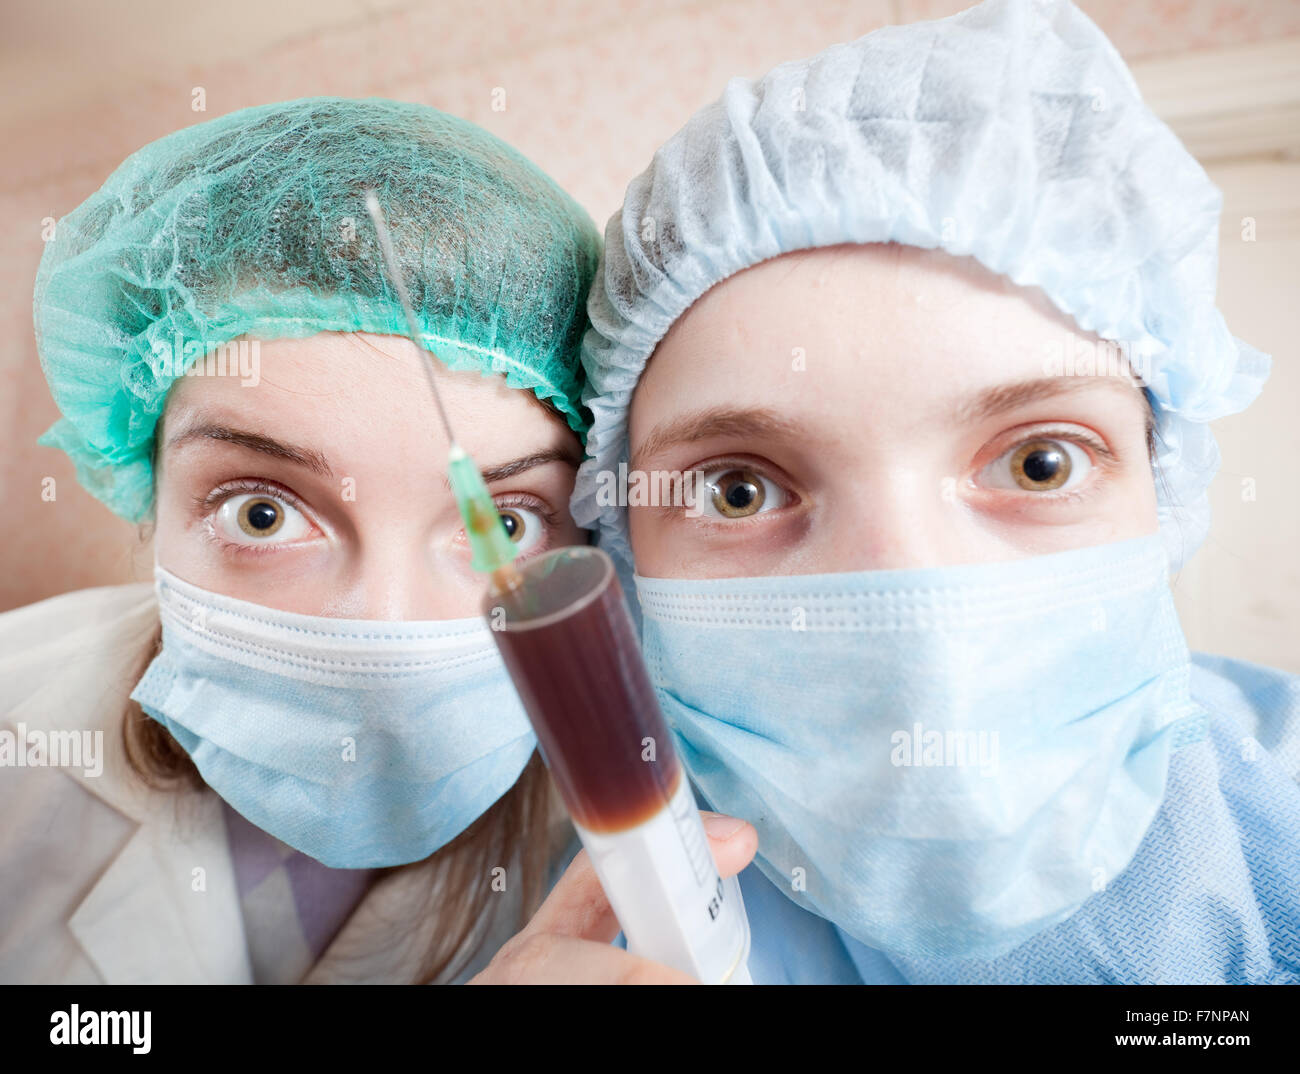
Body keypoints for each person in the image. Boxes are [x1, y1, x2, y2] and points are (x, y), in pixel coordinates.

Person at [559, 0, 1299, 983]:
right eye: (736, 490)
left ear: (1163, 483)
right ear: (621, 539)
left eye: (1040, 461)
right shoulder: (580, 914)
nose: (911, 595)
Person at [0, 96, 614, 984]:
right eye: (263, 512)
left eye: (504, 524)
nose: (383, 630)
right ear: (148, 495)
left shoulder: (645, 845)